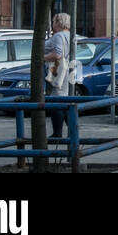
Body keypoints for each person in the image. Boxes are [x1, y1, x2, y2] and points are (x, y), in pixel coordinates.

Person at [43, 13, 73, 141]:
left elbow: (57, 54)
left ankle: (57, 133)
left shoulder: (58, 36)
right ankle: (72, 130)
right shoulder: (71, 35)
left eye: (54, 21)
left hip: (59, 70)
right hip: (69, 70)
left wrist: (41, 57)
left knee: (56, 100)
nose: (52, 23)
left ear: (59, 22)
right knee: (65, 101)